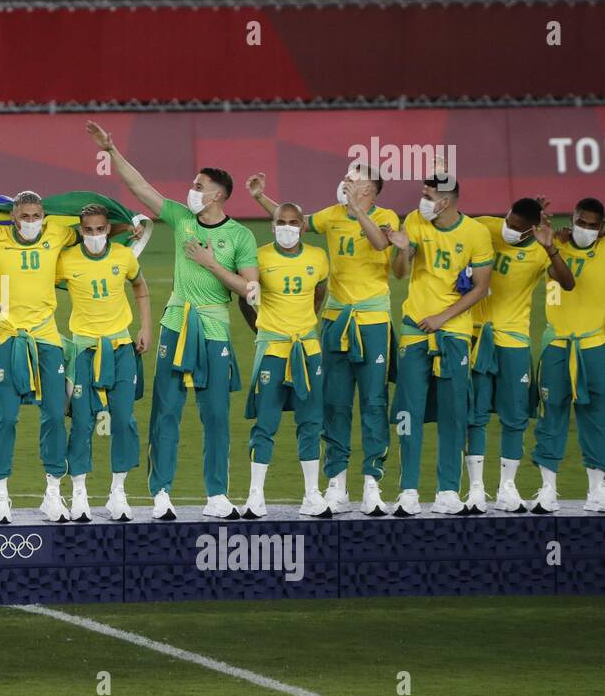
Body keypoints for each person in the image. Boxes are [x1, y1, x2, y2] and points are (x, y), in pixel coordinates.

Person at [88, 121, 258, 521]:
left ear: (217, 195)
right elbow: (141, 188)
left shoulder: (240, 236)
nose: (192, 190)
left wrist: (210, 262)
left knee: (216, 414)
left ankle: (217, 494)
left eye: (199, 186)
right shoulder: (182, 219)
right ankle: (160, 493)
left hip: (214, 331)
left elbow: (249, 288)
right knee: (166, 410)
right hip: (175, 326)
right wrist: (112, 151)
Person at [247, 165, 398, 515]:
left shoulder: (387, 216)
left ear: (370, 189)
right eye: (344, 175)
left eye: (353, 179)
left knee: (374, 403)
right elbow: (291, 222)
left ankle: (372, 482)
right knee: (335, 403)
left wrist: (356, 210)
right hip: (334, 319)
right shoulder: (330, 216)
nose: (344, 181)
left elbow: (379, 242)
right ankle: (337, 482)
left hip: (373, 320)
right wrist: (259, 198)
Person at [199, 204, 329, 518]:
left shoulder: (317, 258)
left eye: (293, 222)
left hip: (307, 349)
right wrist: (260, 327)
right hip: (273, 349)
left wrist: (304, 321)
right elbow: (246, 296)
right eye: (281, 222)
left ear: (302, 225)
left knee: (310, 423)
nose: (287, 227)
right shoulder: (259, 257)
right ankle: (255, 496)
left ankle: (312, 495)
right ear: (272, 227)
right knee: (266, 423)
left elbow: (320, 292)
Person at [386, 174, 493, 516]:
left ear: (445, 201)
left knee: (453, 414)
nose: (423, 200)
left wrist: (442, 318)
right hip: (414, 329)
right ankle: (408, 491)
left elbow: (480, 288)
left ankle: (448, 490)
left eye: (428, 194)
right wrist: (402, 250)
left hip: (454, 333)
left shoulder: (476, 234)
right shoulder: (415, 221)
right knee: (408, 413)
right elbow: (401, 273)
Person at [0, 191, 79, 525]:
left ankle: (52, 492)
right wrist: (0, 204)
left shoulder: (59, 232)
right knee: (4, 417)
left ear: (44, 216)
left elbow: (101, 222)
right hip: (8, 338)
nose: (31, 222)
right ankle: (0, 494)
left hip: (47, 337)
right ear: (13, 217)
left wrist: (131, 229)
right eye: (23, 216)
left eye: (36, 216)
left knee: (53, 414)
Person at [464, 199, 573, 511]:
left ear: (531, 229)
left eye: (516, 227)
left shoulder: (541, 249)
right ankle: (474, 488)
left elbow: (566, 282)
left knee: (515, 417)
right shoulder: (483, 225)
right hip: (477, 335)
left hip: (514, 340)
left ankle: (507, 488)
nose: (508, 229)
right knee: (476, 414)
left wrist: (552, 247)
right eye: (507, 221)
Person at [56, 204, 151, 522]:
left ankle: (117, 493)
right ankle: (79, 492)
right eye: (88, 230)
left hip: (122, 348)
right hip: (84, 350)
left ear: (108, 228)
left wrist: (146, 327)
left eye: (100, 229)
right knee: (83, 421)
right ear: (80, 230)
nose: (94, 235)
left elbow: (140, 287)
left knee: (122, 419)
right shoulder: (66, 260)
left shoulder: (124, 257)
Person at [532, 198, 605, 514]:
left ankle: (597, 490)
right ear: (572, 218)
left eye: (592, 225)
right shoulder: (551, 244)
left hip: (595, 346)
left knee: (597, 419)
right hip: (557, 345)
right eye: (581, 222)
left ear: (601, 228)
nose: (585, 229)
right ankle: (548, 489)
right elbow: (516, 238)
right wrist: (538, 223)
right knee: (551, 415)